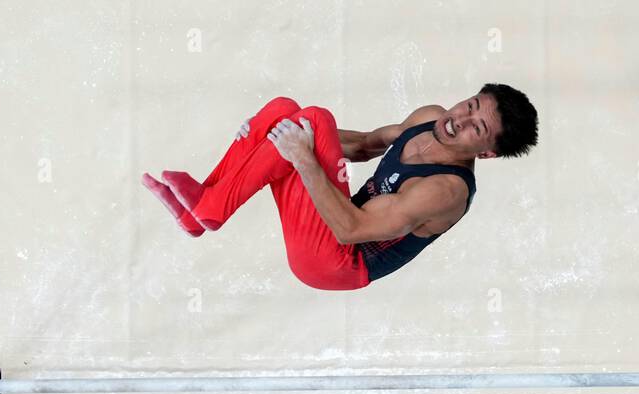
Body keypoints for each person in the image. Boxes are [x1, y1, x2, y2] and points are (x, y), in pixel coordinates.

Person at [142, 84, 538, 291]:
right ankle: (198, 214)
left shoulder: (445, 192)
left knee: (310, 121)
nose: (460, 120)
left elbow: (349, 229)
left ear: (485, 153)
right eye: (469, 106)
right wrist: (271, 133)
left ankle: (209, 208)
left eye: (477, 128)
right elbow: (364, 144)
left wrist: (300, 153)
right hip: (335, 220)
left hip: (337, 261)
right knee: (284, 110)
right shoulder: (429, 117)